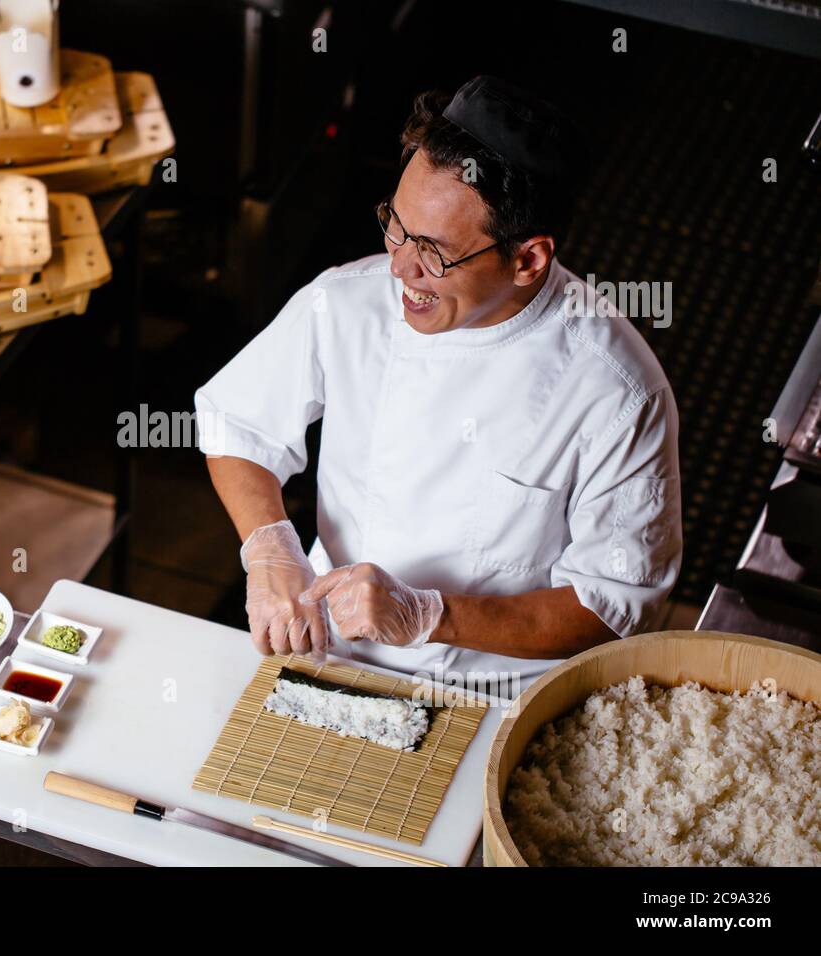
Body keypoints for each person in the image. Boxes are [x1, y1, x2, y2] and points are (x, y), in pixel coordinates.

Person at [195, 76, 682, 688]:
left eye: (434, 251)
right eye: (394, 225)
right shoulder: (347, 302)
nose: (400, 267)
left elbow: (613, 608)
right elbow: (236, 424)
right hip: (330, 648)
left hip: (498, 689)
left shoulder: (617, 391)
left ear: (529, 259)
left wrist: (428, 615)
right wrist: (268, 547)